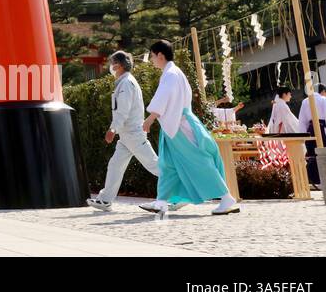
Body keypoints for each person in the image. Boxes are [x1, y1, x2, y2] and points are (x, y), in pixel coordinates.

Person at [140, 40, 240, 215]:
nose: (152, 60)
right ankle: (162, 201)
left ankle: (226, 198)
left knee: (198, 161)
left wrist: (150, 118)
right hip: (177, 122)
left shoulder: (171, 74)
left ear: (160, 56)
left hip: (179, 125)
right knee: (168, 165)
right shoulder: (173, 72)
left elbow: (163, 98)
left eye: (153, 56)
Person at [88, 51, 160, 210]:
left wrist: (112, 129)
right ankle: (105, 199)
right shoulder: (124, 82)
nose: (110, 66)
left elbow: (123, 110)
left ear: (118, 65)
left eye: (112, 63)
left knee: (154, 165)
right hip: (128, 135)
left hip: (133, 134)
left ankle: (181, 190)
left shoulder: (126, 83)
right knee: (115, 165)